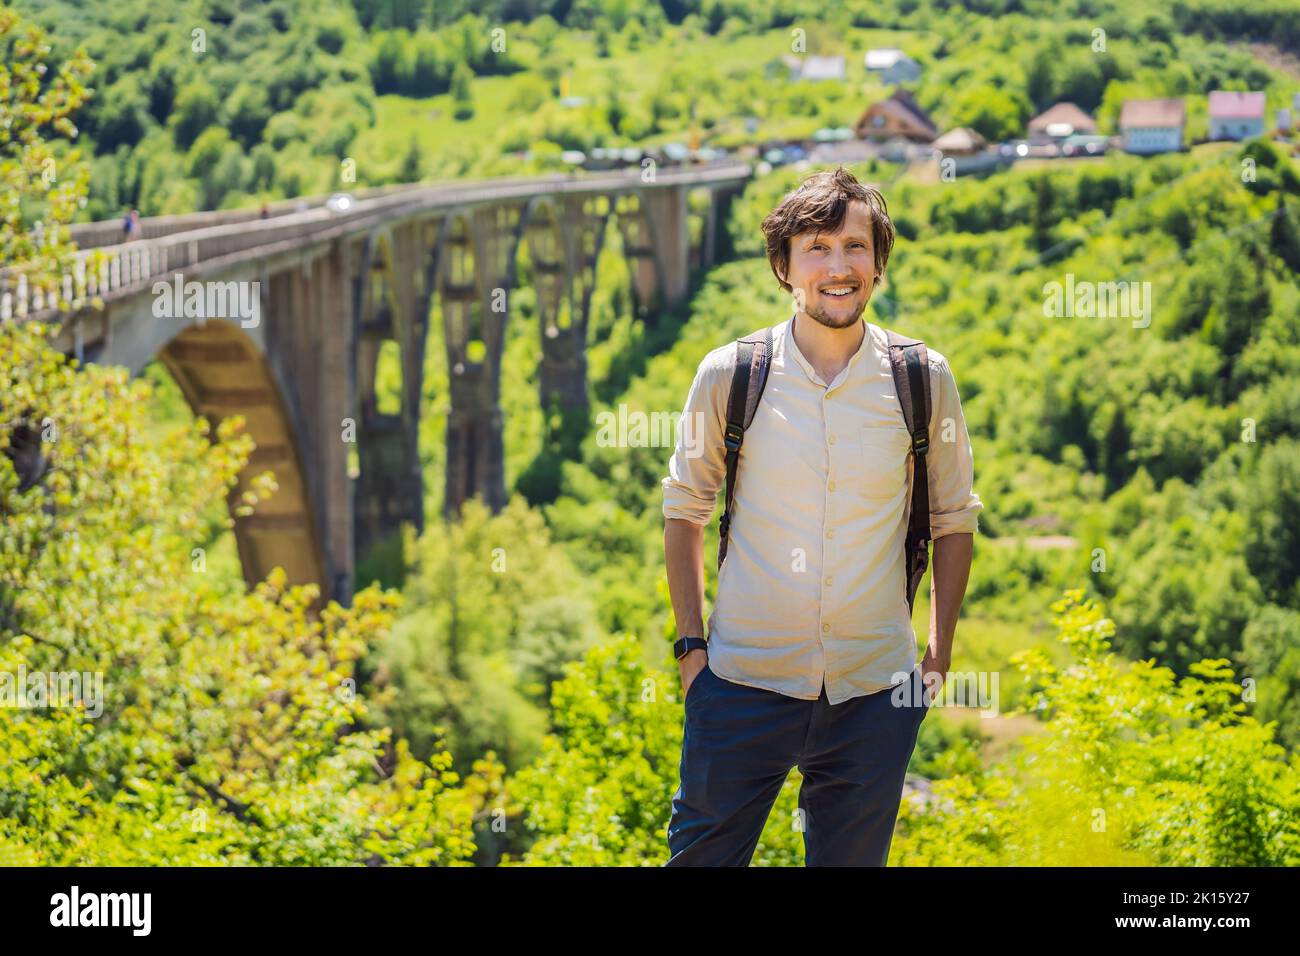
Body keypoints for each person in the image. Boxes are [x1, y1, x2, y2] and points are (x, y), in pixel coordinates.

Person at [661, 166, 982, 866]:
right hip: (741, 683)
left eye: (855, 247)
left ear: (878, 263)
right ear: (784, 267)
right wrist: (693, 656)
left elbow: (955, 518)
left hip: (875, 695)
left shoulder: (922, 377)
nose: (839, 267)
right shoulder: (729, 374)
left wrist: (936, 657)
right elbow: (683, 510)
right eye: (817, 248)